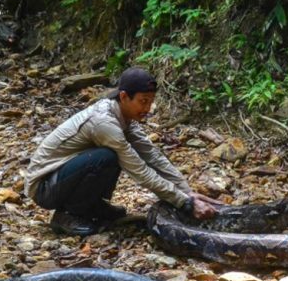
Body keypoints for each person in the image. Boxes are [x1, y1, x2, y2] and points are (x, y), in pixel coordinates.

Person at [24, 67, 218, 236]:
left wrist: (186, 191)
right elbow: (139, 170)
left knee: (109, 156)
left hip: (61, 178)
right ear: (124, 97)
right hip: (44, 187)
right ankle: (67, 215)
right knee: (106, 157)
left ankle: (91, 206)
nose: (148, 108)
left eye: (151, 102)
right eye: (143, 101)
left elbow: (152, 155)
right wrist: (184, 203)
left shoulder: (124, 117)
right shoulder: (104, 123)